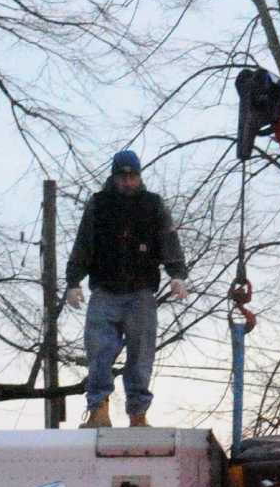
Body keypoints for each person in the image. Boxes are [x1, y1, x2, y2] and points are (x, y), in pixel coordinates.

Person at [64, 149, 189, 428]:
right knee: (99, 351)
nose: (128, 181)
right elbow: (84, 243)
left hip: (141, 292)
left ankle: (138, 413)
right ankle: (99, 410)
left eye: (133, 176)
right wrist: (73, 281)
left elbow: (169, 240)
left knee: (141, 355)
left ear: (140, 177)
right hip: (104, 291)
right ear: (114, 177)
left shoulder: (153, 205)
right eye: (123, 177)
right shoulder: (99, 205)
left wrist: (177, 274)